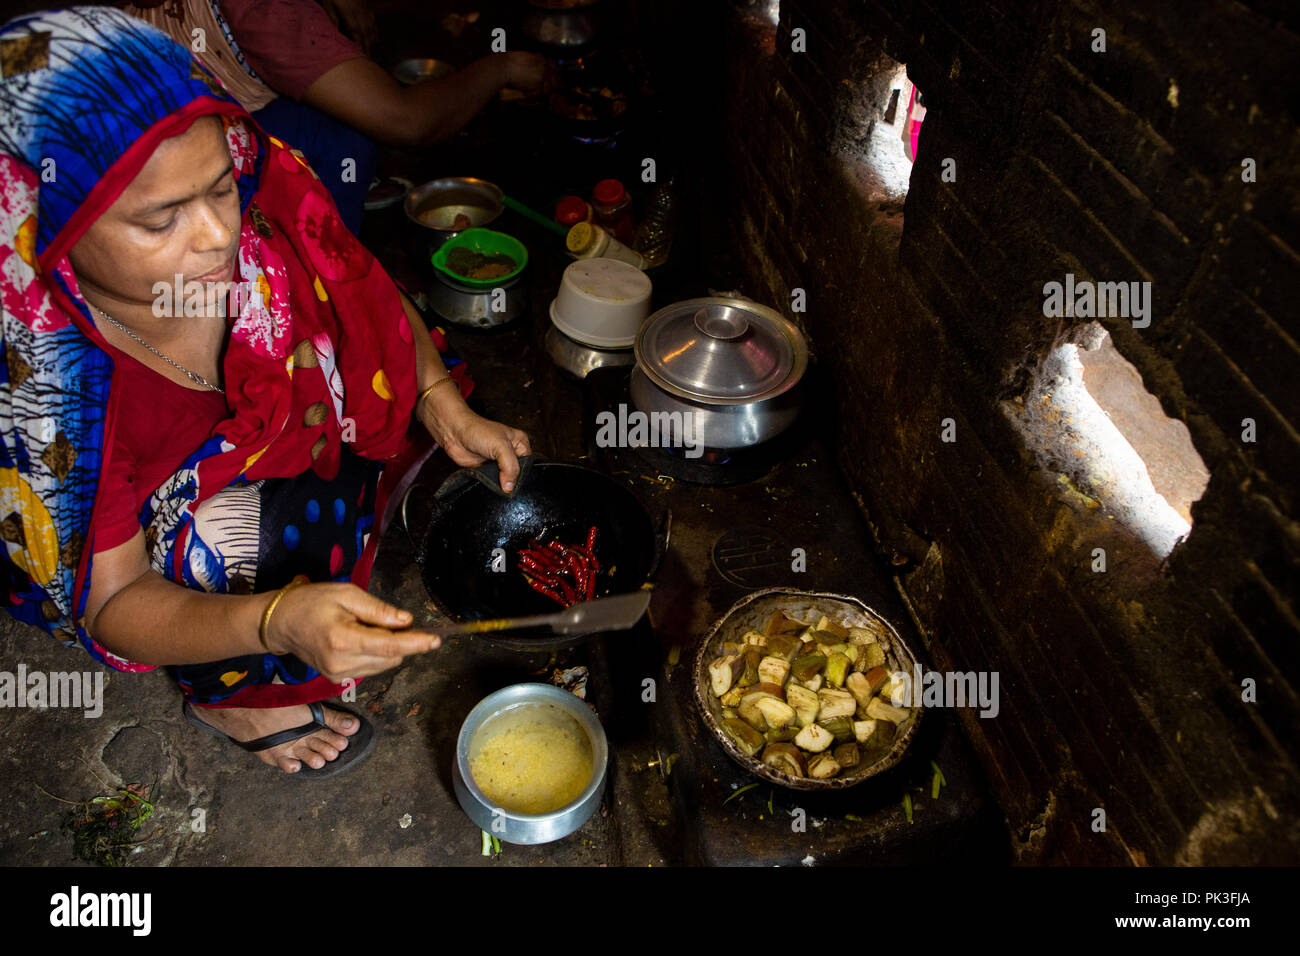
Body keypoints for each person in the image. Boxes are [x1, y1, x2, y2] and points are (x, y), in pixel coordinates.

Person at [0, 7, 530, 776]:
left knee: (336, 431)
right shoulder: (55, 403)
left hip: (284, 443)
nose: (218, 236)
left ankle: (307, 568)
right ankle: (231, 691)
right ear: (50, 230)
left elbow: (359, 285)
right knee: (227, 542)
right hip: (168, 547)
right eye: (161, 220)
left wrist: (440, 400)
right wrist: (276, 619)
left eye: (219, 189)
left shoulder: (259, 204)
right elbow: (115, 605)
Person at [121, 0, 553, 232]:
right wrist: (502, 68)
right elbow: (409, 122)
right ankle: (322, 282)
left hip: (159, 132)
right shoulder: (264, 11)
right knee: (348, 132)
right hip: (188, 179)